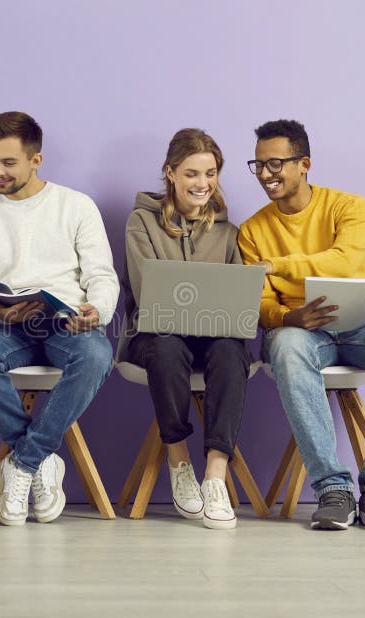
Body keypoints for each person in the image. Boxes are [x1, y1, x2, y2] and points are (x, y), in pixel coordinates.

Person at [238, 119, 365, 531]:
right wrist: (290, 316)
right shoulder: (253, 229)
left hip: (361, 326)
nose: (266, 175)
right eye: (258, 165)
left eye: (275, 164)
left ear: (303, 163)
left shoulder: (349, 207)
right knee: (285, 344)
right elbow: (261, 302)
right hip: (302, 333)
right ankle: (331, 488)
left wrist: (278, 266)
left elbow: (344, 261)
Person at [0, 111, 119, 526]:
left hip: (67, 322)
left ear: (36, 160)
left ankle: (23, 464)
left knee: (97, 356)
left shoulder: (76, 206)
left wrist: (96, 310)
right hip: (9, 327)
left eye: (8, 163)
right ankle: (40, 461)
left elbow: (102, 275)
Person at [119, 128, 252, 530]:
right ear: (171, 174)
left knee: (232, 349)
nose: (202, 183)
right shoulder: (141, 223)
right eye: (192, 173)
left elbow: (238, 302)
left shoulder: (229, 233)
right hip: (156, 334)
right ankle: (179, 463)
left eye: (210, 173)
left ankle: (214, 476)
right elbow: (148, 294)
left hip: (214, 335)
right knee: (165, 346)